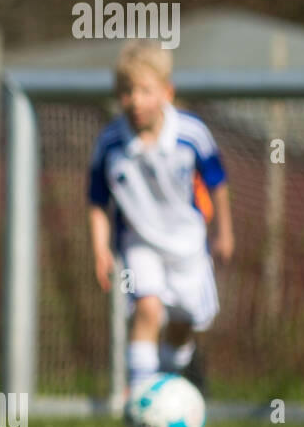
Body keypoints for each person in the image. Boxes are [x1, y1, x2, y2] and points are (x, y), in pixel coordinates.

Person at [88, 40, 233, 400]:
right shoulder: (109, 144)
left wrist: (223, 233)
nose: (135, 101)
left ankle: (172, 376)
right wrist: (99, 248)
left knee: (184, 320)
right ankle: (140, 397)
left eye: (145, 91)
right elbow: (96, 201)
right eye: (126, 92)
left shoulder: (192, 134)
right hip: (138, 243)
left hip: (188, 244)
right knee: (148, 308)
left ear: (167, 92)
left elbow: (217, 184)